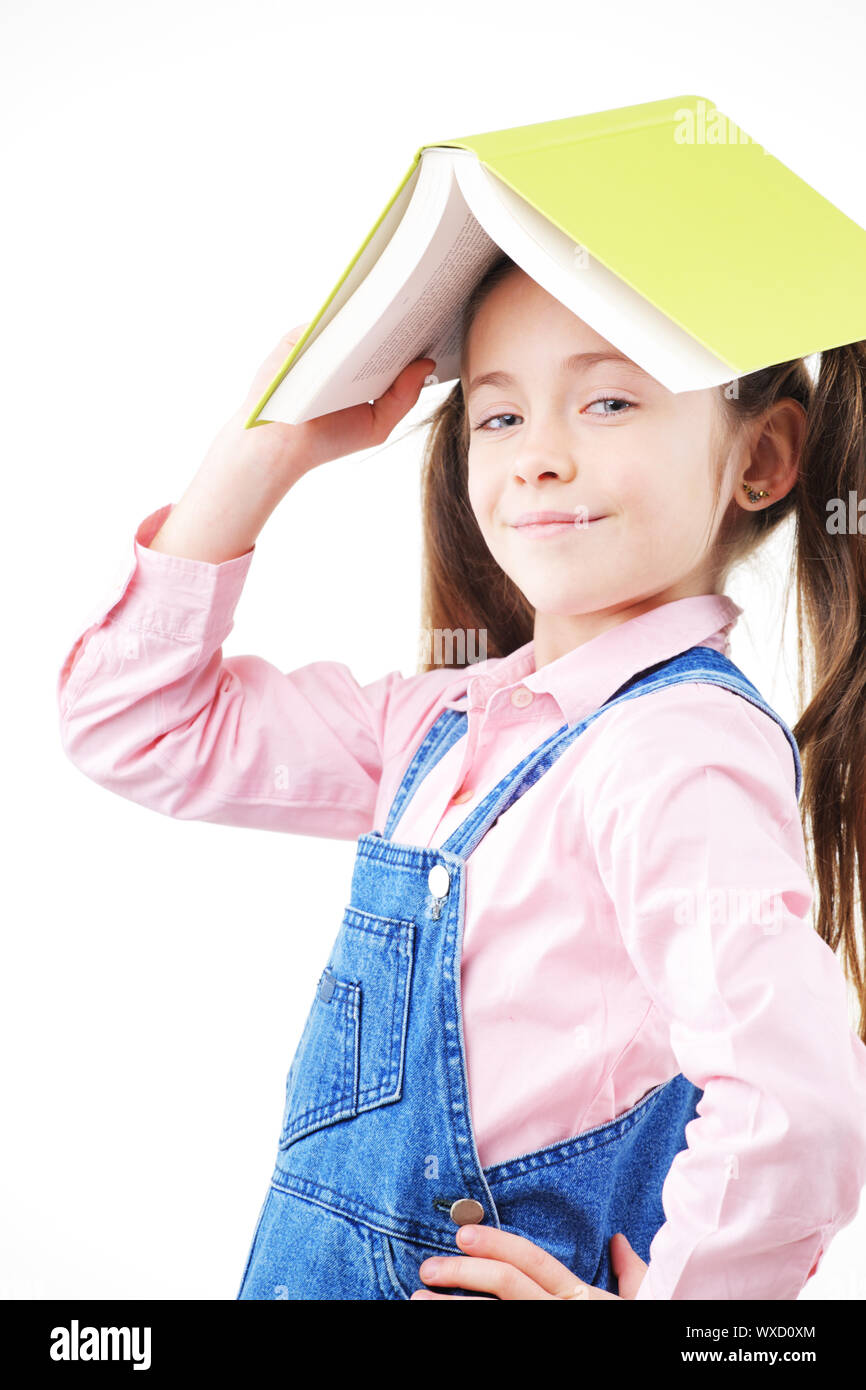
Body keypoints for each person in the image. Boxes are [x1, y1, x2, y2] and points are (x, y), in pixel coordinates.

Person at [57, 251, 866, 1300]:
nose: (538, 457)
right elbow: (133, 722)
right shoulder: (437, 724)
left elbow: (794, 1102)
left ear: (759, 457)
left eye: (608, 400)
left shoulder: (672, 746)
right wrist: (263, 455)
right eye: (499, 416)